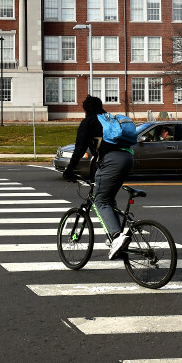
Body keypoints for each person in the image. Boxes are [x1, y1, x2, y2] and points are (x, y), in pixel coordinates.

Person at [62, 96, 135, 259]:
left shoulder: (88, 122)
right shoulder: (108, 119)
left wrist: (69, 170)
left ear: (85, 109)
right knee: (108, 198)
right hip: (128, 158)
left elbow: (80, 149)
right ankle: (114, 235)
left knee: (100, 201)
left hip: (112, 160)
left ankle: (117, 237)